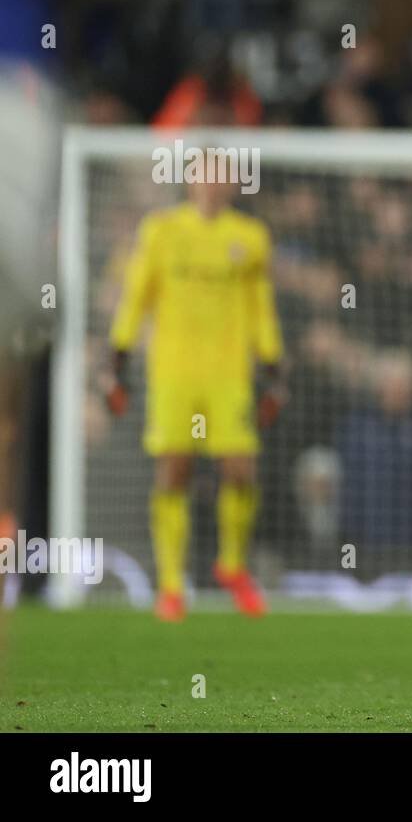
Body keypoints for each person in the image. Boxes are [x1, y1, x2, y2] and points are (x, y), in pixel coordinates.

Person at [107, 178, 286, 621]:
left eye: (219, 175)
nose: (210, 184)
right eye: (202, 175)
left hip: (229, 375)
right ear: (189, 181)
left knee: (241, 468)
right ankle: (170, 585)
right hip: (173, 372)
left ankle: (232, 565)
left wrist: (272, 366)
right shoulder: (161, 231)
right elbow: (137, 295)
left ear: (229, 183)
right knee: (174, 469)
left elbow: (260, 305)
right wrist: (118, 358)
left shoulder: (249, 237)